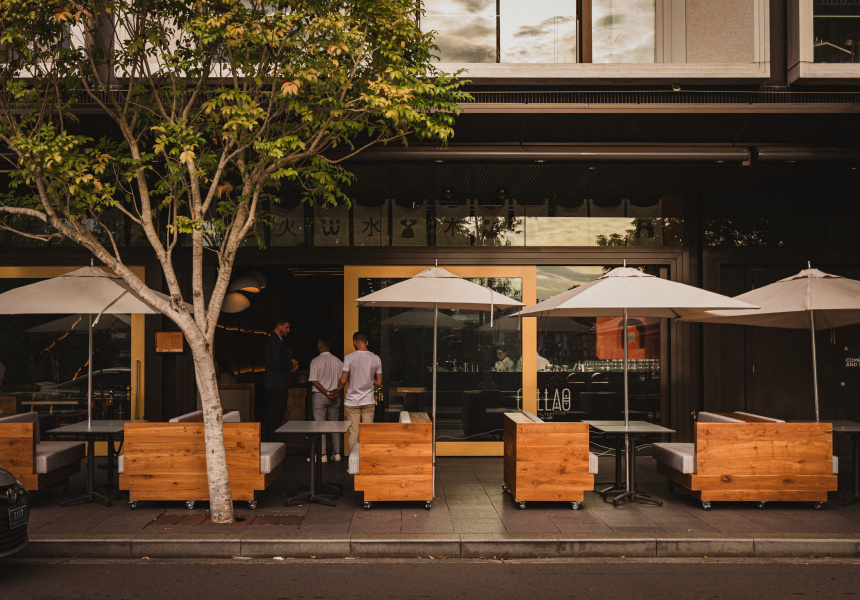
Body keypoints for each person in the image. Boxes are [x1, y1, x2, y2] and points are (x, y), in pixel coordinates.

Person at [331, 331, 382, 451]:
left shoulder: (349, 358)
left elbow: (343, 380)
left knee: (354, 433)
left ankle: (353, 462)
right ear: (367, 342)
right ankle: (366, 460)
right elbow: (379, 382)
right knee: (367, 433)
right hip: (368, 400)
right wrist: (369, 379)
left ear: (354, 342)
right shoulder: (376, 358)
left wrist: (336, 391)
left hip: (352, 401)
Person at [308, 337, 343, 462]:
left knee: (320, 425)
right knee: (334, 425)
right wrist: (336, 392)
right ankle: (337, 453)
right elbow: (343, 380)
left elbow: (314, 380)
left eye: (318, 344)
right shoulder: (338, 361)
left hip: (321, 396)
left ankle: (322, 455)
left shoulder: (316, 361)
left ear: (321, 346)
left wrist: (327, 393)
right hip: (335, 396)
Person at [263, 318, 298, 442]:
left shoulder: (275, 340)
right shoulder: (275, 341)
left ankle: (271, 440)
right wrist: (291, 363)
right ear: (279, 327)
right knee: (276, 415)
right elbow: (276, 363)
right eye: (286, 327)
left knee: (274, 414)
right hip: (277, 385)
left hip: (274, 383)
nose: (288, 330)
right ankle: (273, 441)